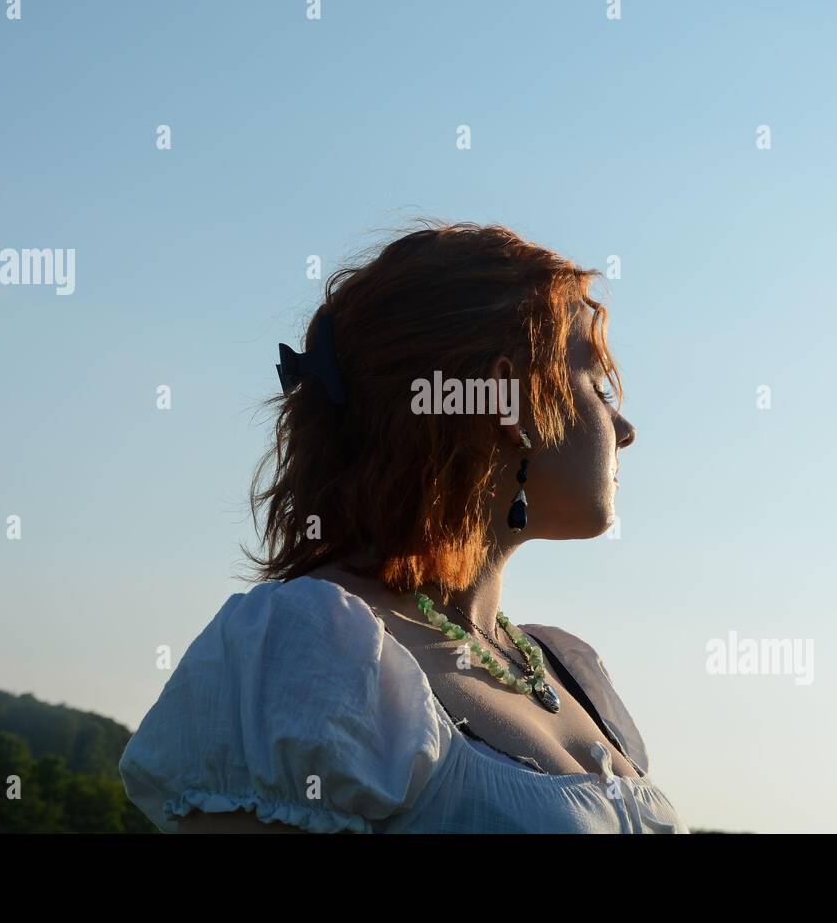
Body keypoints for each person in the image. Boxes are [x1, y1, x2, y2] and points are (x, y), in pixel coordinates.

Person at [119, 220, 686, 833]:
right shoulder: (316, 651)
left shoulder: (570, 670)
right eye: (595, 383)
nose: (623, 427)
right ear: (506, 400)